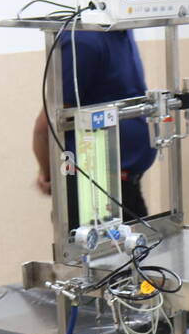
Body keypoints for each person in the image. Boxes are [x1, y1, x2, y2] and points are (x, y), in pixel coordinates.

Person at [32, 27, 156, 222]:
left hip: (126, 185)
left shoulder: (122, 32)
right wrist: (48, 173)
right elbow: (48, 122)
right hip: (95, 189)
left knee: (141, 249)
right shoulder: (83, 40)